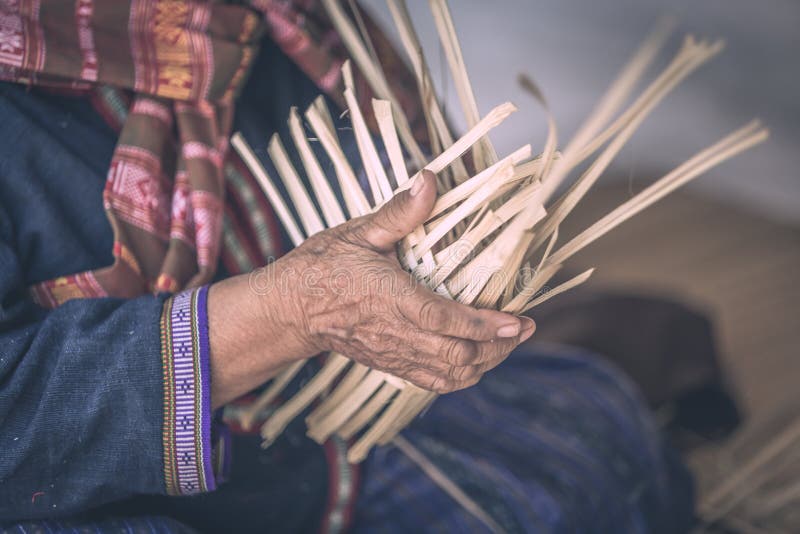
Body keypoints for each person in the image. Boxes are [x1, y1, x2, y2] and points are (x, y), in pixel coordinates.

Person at [0, 1, 694, 532]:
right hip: (107, 486)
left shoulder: (264, 19)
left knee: (596, 433)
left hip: (329, 420)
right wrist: (294, 311)